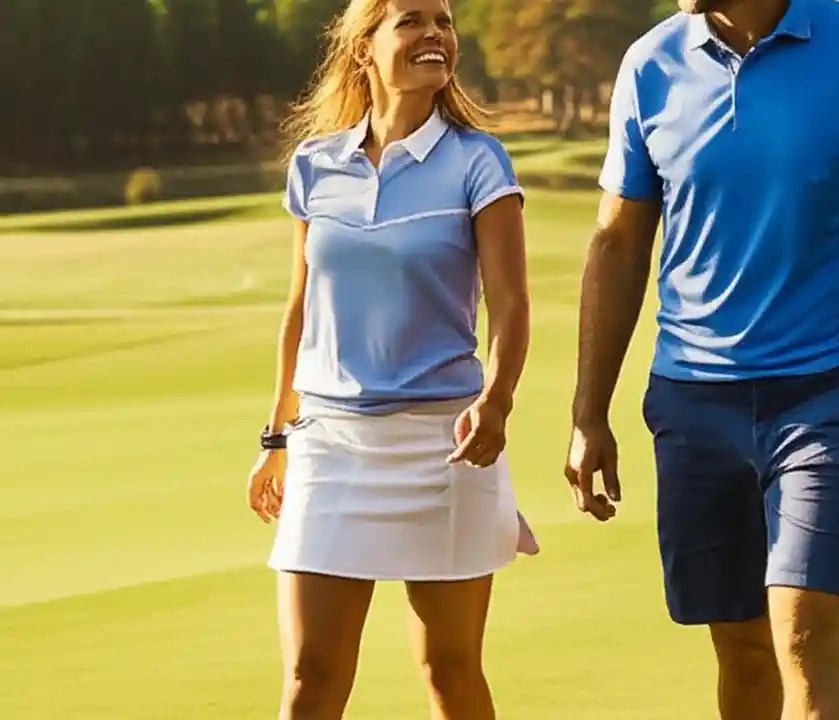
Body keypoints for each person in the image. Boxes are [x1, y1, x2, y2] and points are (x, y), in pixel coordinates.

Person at [564, 0, 839, 718]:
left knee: (805, 632)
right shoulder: (650, 64)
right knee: (743, 649)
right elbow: (618, 243)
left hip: (827, 394)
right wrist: (589, 413)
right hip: (693, 402)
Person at [244, 0, 537, 717]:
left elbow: (512, 304)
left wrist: (497, 402)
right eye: (411, 20)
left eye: (444, 21)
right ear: (363, 48)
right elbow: (300, 310)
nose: (434, 33)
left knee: (449, 671)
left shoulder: (477, 161)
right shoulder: (315, 165)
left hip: (445, 445)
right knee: (311, 675)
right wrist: (276, 438)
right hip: (331, 444)